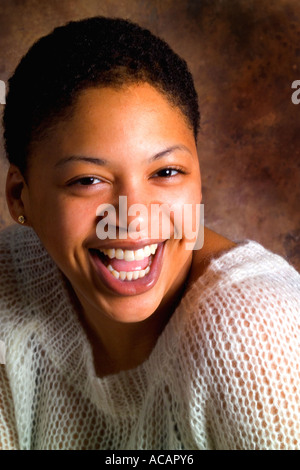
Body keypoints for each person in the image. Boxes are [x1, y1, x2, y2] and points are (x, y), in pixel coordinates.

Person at [0, 16, 299, 451]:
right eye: (88, 180)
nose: (132, 217)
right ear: (19, 197)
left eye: (166, 171)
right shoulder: (9, 280)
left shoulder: (258, 335)